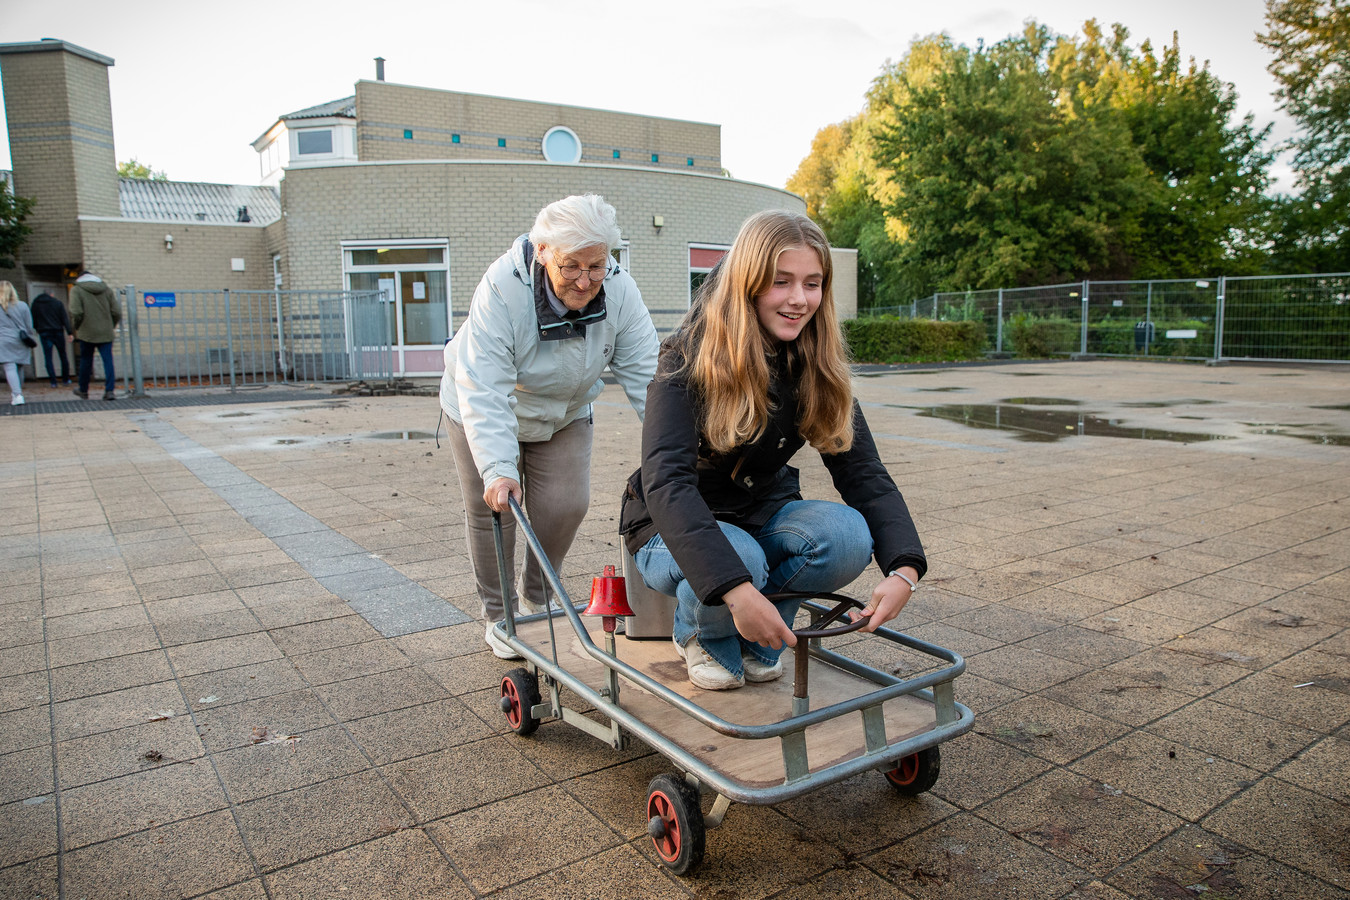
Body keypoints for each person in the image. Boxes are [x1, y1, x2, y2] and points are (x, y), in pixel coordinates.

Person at [619, 210, 925, 691]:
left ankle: (761, 636)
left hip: (761, 510)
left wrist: (903, 567)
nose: (799, 300)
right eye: (781, 282)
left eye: (813, 282)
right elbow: (667, 484)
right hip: (666, 525)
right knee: (738, 558)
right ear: (748, 283)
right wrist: (738, 590)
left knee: (845, 535)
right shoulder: (685, 357)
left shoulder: (814, 362)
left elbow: (862, 471)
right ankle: (702, 635)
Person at [441, 194, 659, 658]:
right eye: (571, 266)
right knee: (495, 511)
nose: (585, 281)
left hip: (565, 411)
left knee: (565, 505)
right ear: (542, 254)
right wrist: (498, 468)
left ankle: (536, 598)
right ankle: (500, 618)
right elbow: (483, 385)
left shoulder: (620, 290)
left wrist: (680, 449)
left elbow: (648, 377)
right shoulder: (503, 287)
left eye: (596, 266)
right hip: (482, 400)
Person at [69, 270, 121, 401]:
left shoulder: (76, 290)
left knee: (86, 361)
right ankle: (109, 391)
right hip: (106, 332)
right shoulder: (106, 290)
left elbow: (76, 312)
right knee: (108, 360)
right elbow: (116, 311)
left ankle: (83, 390)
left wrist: (77, 326)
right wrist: (110, 325)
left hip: (86, 332)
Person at [0, 281, 36, 406]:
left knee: (9, 367)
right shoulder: (22, 306)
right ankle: (17, 393)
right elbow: (29, 326)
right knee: (19, 367)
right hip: (21, 339)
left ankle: (17, 394)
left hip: (3, 340)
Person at [30, 289, 74, 388]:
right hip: (57, 331)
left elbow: (33, 318)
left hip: (44, 332)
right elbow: (64, 318)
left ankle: (53, 381)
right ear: (52, 294)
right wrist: (69, 332)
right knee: (63, 355)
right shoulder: (57, 303)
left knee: (48, 356)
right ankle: (65, 379)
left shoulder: (36, 304)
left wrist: (37, 328)